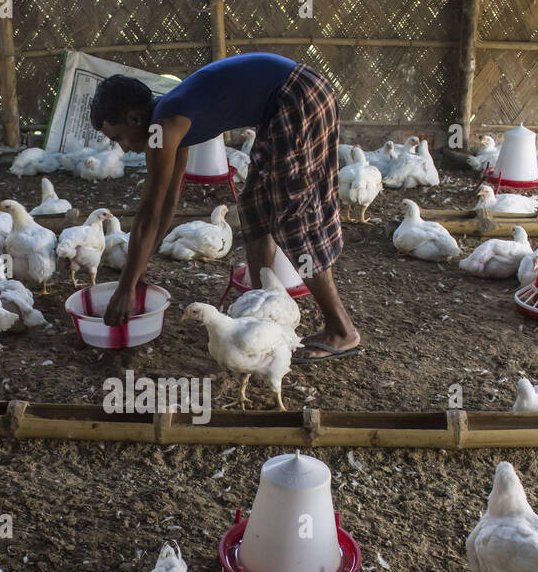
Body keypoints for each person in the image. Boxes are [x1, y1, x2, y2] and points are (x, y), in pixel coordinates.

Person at [89, 52, 360, 361]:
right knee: (255, 206)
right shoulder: (168, 118)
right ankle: (264, 318)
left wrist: (125, 288)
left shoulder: (163, 126)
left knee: (293, 217)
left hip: (297, 96)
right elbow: (166, 206)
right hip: (287, 101)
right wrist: (135, 277)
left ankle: (341, 330)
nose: (124, 147)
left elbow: (149, 213)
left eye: (120, 137)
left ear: (135, 119)